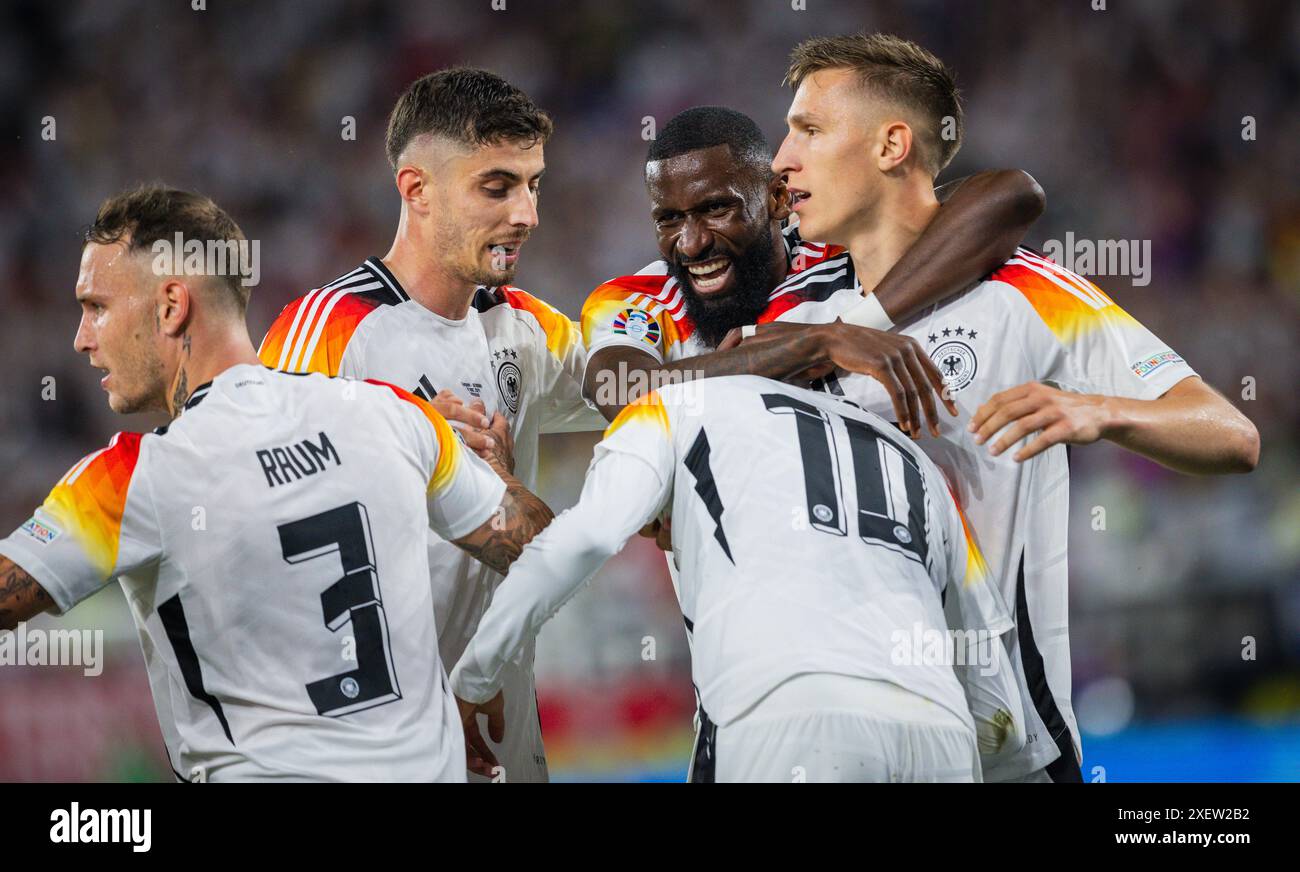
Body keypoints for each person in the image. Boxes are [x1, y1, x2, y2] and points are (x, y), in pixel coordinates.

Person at [758, 32, 1260, 781]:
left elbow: (1231, 433)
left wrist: (1098, 410)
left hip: (1010, 752)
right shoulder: (792, 313)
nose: (782, 159)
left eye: (810, 130)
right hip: (853, 747)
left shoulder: (1025, 291)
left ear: (893, 144)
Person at [0, 186, 552, 782]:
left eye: (96, 307)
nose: (82, 338)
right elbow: (545, 548)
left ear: (170, 307)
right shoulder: (392, 413)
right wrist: (492, 465)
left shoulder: (136, 476)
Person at [258, 68, 603, 781]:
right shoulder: (326, 331)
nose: (527, 214)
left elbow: (652, 395)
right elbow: (249, 518)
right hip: (368, 742)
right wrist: (396, 438)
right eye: (497, 186)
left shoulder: (525, 325)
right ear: (416, 190)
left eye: (533, 185)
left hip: (497, 727)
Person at [451, 379, 1025, 782]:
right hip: (942, 732)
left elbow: (585, 539)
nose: (657, 538)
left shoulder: (668, 405)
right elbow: (999, 709)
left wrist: (474, 678)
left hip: (784, 716)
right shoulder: (913, 458)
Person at [579, 105, 1047, 431]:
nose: (693, 243)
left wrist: (859, 326)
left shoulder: (839, 246)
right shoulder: (636, 296)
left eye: (716, 210)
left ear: (777, 199)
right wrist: (816, 342)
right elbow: (621, 390)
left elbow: (1010, 195)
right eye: (670, 219)